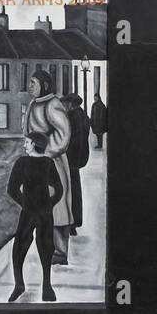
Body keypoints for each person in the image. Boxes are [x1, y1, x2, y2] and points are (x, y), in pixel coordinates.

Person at [6, 130, 63, 303]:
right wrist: (47, 204)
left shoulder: (25, 162)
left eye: (27, 142)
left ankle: (29, 285)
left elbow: (12, 189)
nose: (24, 144)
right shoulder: (47, 163)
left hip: (32, 212)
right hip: (41, 212)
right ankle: (38, 287)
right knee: (41, 248)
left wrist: (27, 203)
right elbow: (59, 190)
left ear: (34, 145)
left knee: (27, 249)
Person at [24, 69, 73, 266]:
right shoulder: (33, 104)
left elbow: (63, 135)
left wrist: (43, 150)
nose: (30, 87)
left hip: (53, 163)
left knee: (58, 207)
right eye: (30, 83)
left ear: (43, 85)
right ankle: (46, 247)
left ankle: (60, 252)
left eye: (33, 83)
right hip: (37, 162)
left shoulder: (53, 105)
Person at [63, 92, 91, 234]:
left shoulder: (71, 117)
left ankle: (71, 223)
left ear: (70, 104)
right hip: (79, 158)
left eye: (66, 103)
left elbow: (69, 139)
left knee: (70, 190)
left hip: (70, 158)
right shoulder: (83, 116)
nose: (64, 106)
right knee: (75, 190)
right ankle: (75, 222)